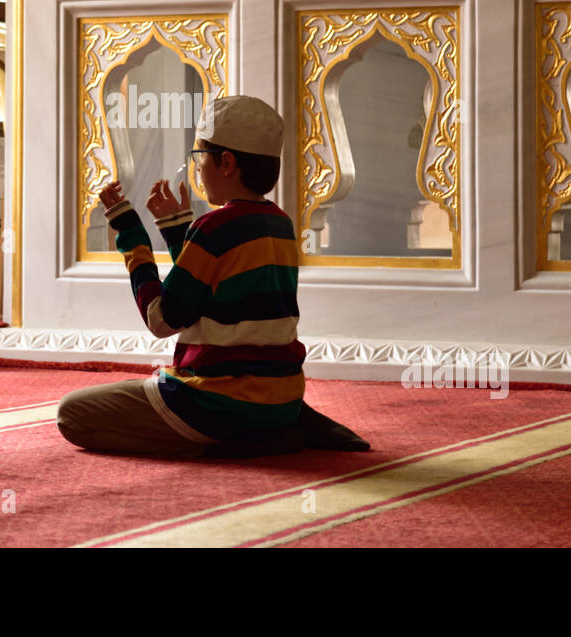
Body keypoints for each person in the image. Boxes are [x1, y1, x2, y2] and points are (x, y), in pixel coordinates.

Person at [56, 94, 370, 458]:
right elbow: (211, 292)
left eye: (199, 157)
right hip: (281, 396)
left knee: (73, 415)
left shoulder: (215, 227)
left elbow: (163, 318)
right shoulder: (279, 223)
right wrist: (177, 229)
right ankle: (279, 425)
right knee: (134, 392)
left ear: (226, 162)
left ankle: (221, 445)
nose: (196, 169)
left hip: (214, 403)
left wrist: (130, 233)